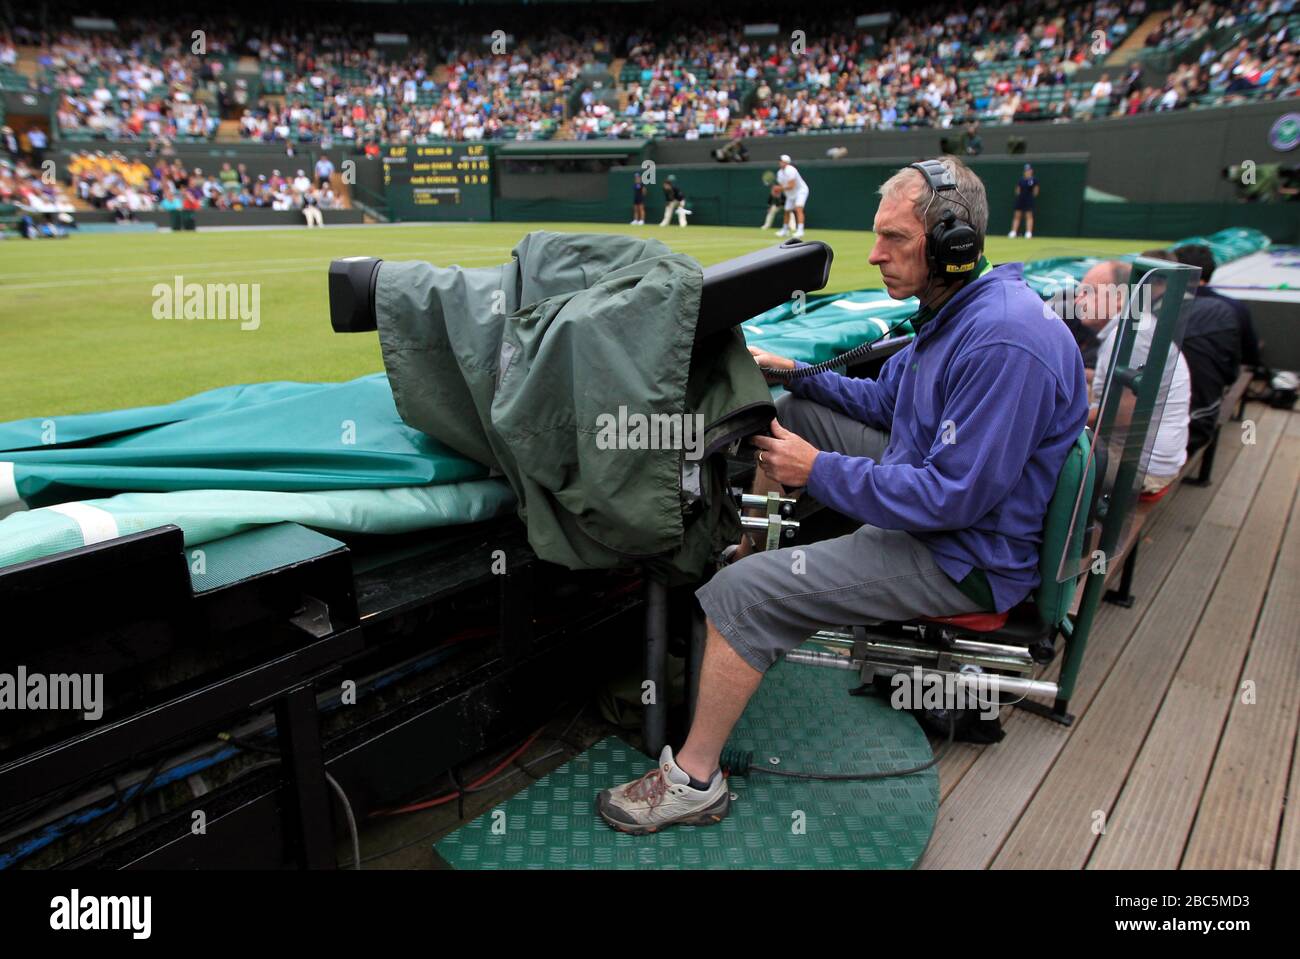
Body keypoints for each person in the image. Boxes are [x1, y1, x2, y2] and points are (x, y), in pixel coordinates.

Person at [596, 156, 1089, 833]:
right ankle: (751, 545)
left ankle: (694, 779)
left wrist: (818, 470)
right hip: (944, 513)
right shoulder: (955, 311)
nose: (874, 253)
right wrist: (795, 372)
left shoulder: (1003, 340)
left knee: (742, 594)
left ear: (953, 244)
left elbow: (951, 499)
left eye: (894, 240)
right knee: (790, 411)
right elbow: (886, 402)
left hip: (962, 555)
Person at [1081, 259, 1192, 501]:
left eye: (1090, 291)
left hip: (1143, 470)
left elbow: (1121, 416)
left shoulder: (1132, 336)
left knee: (1040, 458)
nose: (1078, 300)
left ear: (1121, 297)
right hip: (1142, 456)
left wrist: (1062, 415)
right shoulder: (1133, 326)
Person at [1171, 244, 1260, 451]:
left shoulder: (1160, 308)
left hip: (1184, 418)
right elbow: (1249, 358)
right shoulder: (1235, 307)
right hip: (1204, 407)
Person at [775, 153, 809, 238]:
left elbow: (791, 186)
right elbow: (783, 186)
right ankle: (784, 230)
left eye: (782, 161)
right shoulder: (779, 173)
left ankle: (800, 231)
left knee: (798, 209)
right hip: (791, 194)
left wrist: (778, 189)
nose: (780, 163)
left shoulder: (791, 170)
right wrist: (777, 190)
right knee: (787, 211)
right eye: (780, 161)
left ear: (787, 162)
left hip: (801, 191)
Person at [1009, 162, 1038, 238]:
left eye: (1029, 170)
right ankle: (1013, 232)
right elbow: (1017, 191)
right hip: (1020, 200)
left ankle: (1028, 233)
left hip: (1029, 200)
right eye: (1026, 170)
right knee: (1017, 215)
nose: (1027, 172)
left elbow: (1036, 191)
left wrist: (1030, 197)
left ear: (1031, 171)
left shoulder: (1034, 180)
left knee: (1029, 216)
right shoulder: (1021, 180)